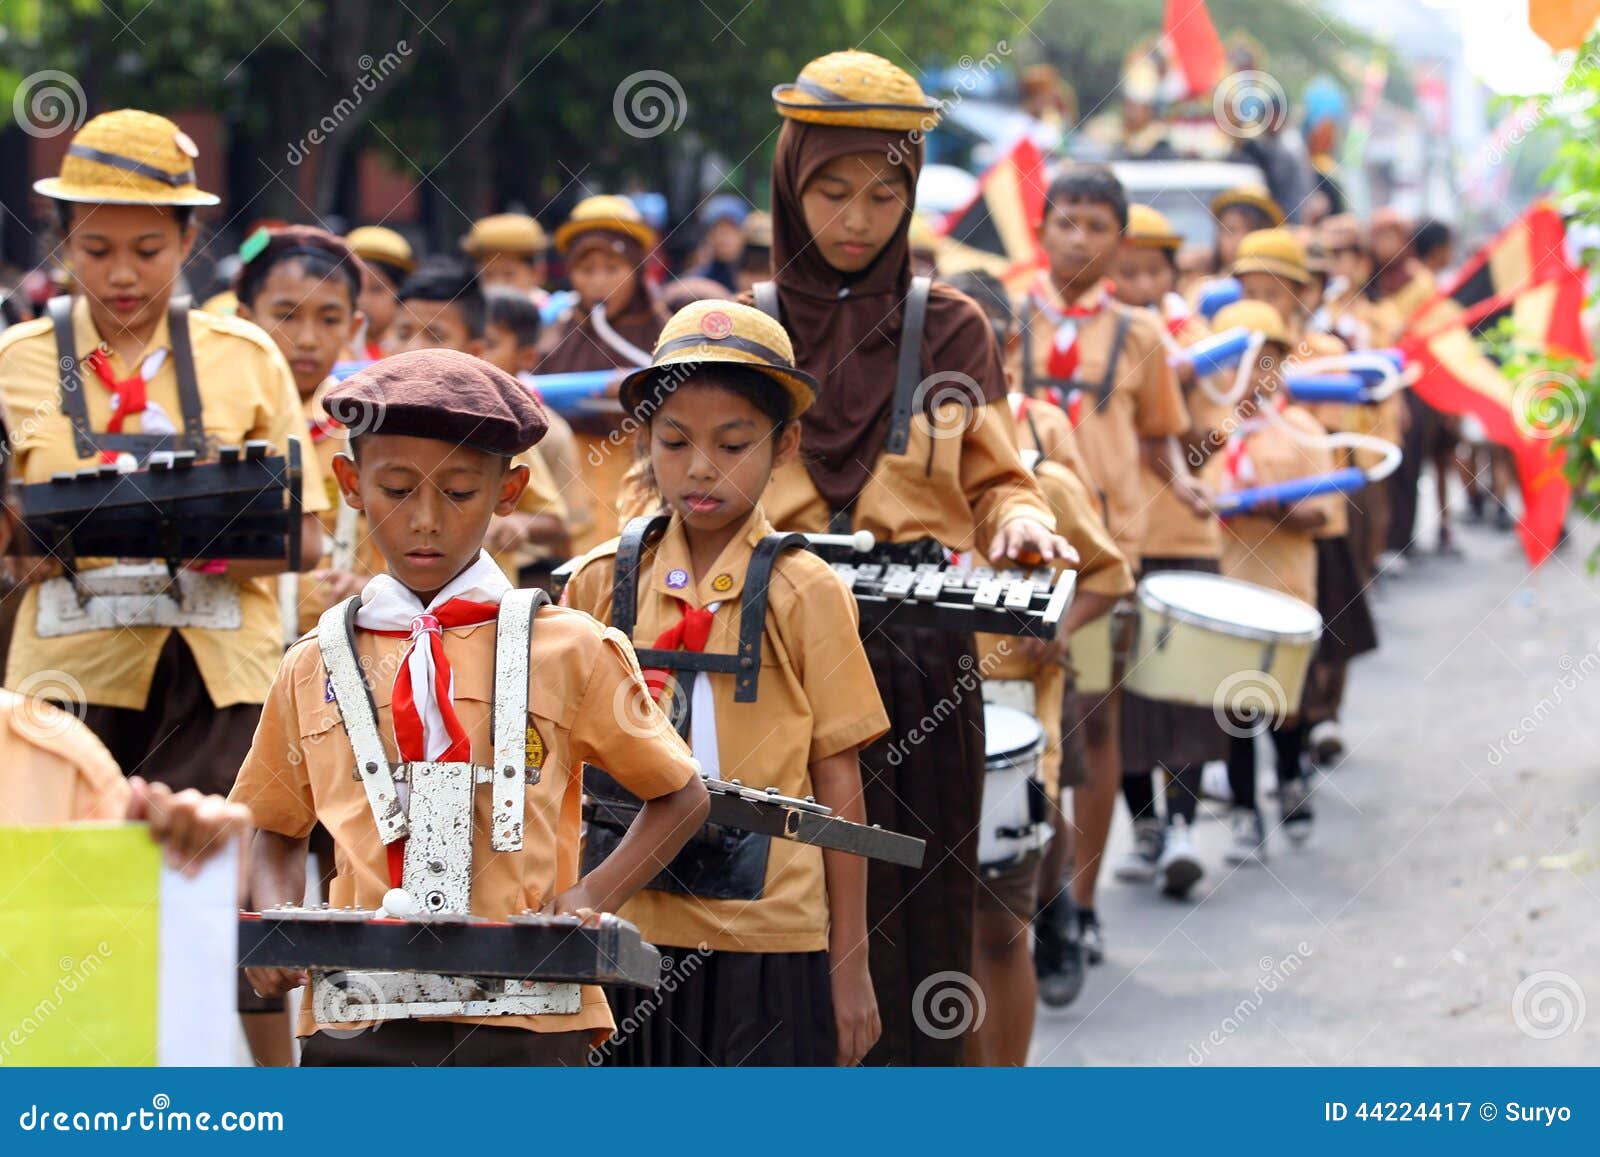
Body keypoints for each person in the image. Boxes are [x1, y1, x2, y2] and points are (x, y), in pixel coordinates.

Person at [232, 350, 710, 1066]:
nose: (425, 520)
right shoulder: (315, 661)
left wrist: (589, 893)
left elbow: (680, 793)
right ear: (351, 483)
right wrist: (276, 920)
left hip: (528, 1016)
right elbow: (274, 825)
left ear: (510, 490)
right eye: (395, 488)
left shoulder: (569, 646)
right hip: (358, 1015)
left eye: (458, 491)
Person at [755, 50, 1071, 1065]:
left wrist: (1021, 521)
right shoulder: (740, 329)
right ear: (789, 182)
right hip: (766, 662)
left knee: (922, 924)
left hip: (919, 666)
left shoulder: (952, 325)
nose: (857, 217)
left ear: (913, 194)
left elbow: (999, 479)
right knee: (771, 921)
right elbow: (664, 488)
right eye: (832, 190)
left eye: (884, 193)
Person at [562, 300, 887, 1066]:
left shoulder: (807, 590)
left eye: (733, 443)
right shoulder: (600, 581)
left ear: (786, 445)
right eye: (673, 441)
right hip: (624, 919)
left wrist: (851, 962)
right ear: (644, 439)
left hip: (768, 932)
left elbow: (839, 777)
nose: (700, 467)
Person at [0, 109, 328, 797]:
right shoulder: (14, 363)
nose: (123, 274)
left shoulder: (246, 357)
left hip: (220, 681)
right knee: (63, 886)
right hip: (65, 681)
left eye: (148, 250)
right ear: (61, 244)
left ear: (188, 240)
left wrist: (185, 538)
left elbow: (305, 537)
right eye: (95, 250)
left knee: (199, 889)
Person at [1019, 165, 1202, 964]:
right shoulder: (999, 320)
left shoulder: (1143, 335)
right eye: (1067, 222)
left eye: (1098, 226)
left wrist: (1188, 487)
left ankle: (1080, 901)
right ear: (1042, 228)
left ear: (1119, 240)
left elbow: (1160, 440)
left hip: (1099, 564)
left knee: (1091, 731)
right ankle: (1024, 893)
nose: (1080, 238)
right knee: (1012, 732)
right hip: (1011, 554)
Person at [949, 269, 1135, 1038]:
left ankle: (1056, 913)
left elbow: (1109, 572)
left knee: (998, 918)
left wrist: (1055, 627)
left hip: (1019, 707)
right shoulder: (894, 471)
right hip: (917, 706)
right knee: (939, 927)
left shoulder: (1040, 466)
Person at [1106, 205, 1227, 900]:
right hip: (1115, 544)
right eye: (1127, 271)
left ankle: (1182, 826)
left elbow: (1212, 444)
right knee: (1116, 696)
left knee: (1184, 690)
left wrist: (1173, 388)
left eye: (1153, 269)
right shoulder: (1091, 343)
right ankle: (1143, 824)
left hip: (1183, 537)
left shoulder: (1203, 347)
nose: (1140, 282)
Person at [1209, 300, 1335, 863]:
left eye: (1266, 363)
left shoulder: (1301, 430)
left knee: (1283, 700)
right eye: (1237, 364)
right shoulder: (1204, 439)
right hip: (1225, 590)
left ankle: (1288, 774)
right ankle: (1243, 811)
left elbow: (1323, 516)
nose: (1251, 379)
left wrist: (1266, 507)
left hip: (1284, 586)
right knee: (1233, 703)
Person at [386, 258, 570, 573]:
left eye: (435, 336)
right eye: (403, 333)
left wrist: (515, 526)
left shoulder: (499, 425)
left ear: (473, 352)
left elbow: (554, 521)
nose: (413, 348)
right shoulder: (370, 422)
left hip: (485, 608)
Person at [232, 225, 371, 639]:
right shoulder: (221, 425)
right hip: (243, 647)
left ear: (353, 325)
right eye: (286, 316)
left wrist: (377, 590)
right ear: (244, 319)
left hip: (348, 650)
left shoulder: (372, 428)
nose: (307, 339)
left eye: (329, 319)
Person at [538, 195, 666, 554]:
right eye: (586, 270)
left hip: (643, 464)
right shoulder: (555, 331)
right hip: (574, 471)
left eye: (612, 269)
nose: (598, 282)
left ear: (637, 267)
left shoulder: (663, 327)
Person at [483, 286, 583, 559]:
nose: (475, 354)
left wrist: (514, 525)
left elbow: (567, 527)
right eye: (471, 342)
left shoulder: (547, 431)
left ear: (526, 357)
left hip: (524, 579)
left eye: (489, 345)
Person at [344, 225, 415, 360]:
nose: (362, 300)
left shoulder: (409, 350)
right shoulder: (332, 353)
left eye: (376, 289)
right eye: (356, 288)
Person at [462, 212, 551, 303]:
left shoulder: (557, 314)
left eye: (509, 274)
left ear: (538, 272)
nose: (497, 285)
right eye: (488, 275)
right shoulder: (469, 315)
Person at [689, 194, 749, 292]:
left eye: (730, 229)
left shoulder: (758, 277)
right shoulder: (697, 281)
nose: (723, 237)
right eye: (716, 229)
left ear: (744, 233)